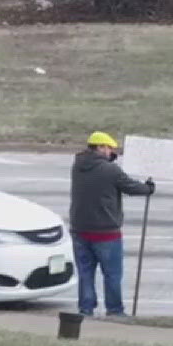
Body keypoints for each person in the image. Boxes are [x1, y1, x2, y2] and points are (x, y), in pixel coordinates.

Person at [68, 131, 155, 318]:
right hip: (106, 231)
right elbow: (131, 187)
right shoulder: (110, 170)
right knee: (112, 275)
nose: (111, 152)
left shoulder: (77, 166)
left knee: (85, 274)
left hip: (80, 229)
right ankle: (114, 310)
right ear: (100, 147)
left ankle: (86, 308)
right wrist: (148, 188)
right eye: (109, 148)